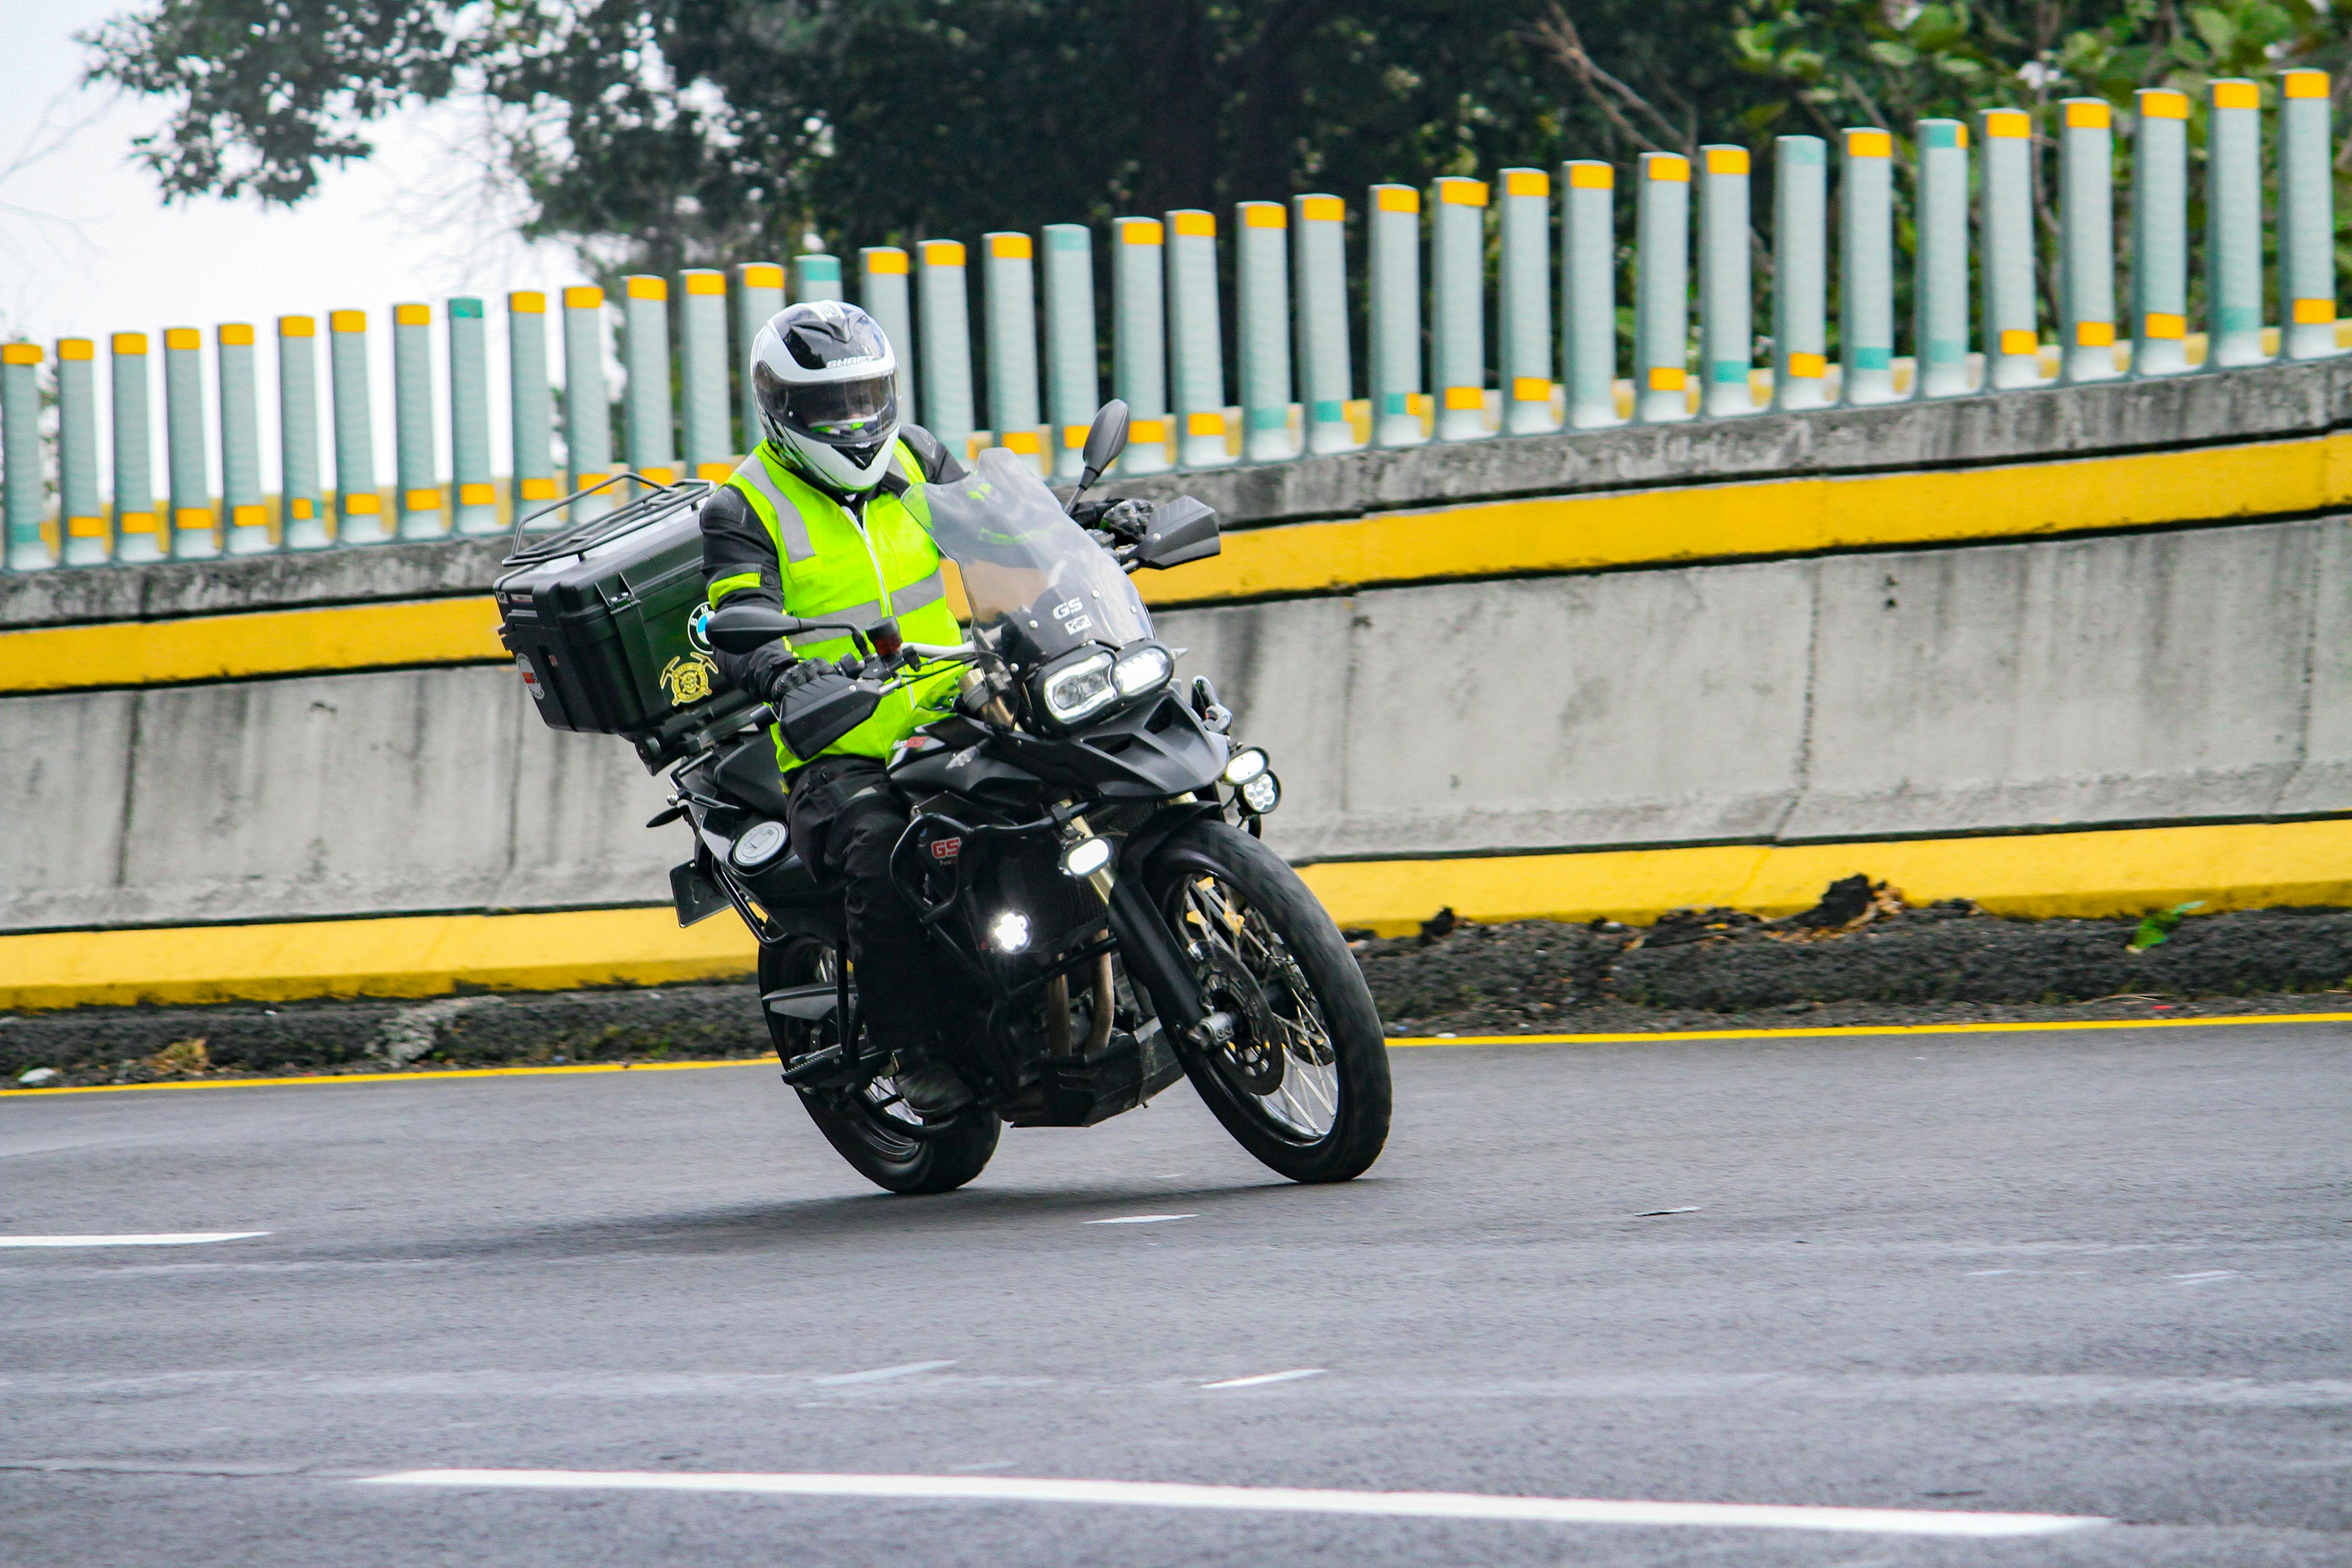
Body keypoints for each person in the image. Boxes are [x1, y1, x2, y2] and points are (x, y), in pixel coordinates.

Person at [700, 301, 975, 1114]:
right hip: (836, 743)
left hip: (955, 697)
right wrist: (784, 674)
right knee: (882, 852)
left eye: (866, 398)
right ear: (781, 409)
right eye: (829, 407)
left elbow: (1000, 533)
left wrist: (1087, 527)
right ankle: (911, 1043)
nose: (854, 422)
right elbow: (735, 617)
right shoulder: (744, 507)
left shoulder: (919, 457)